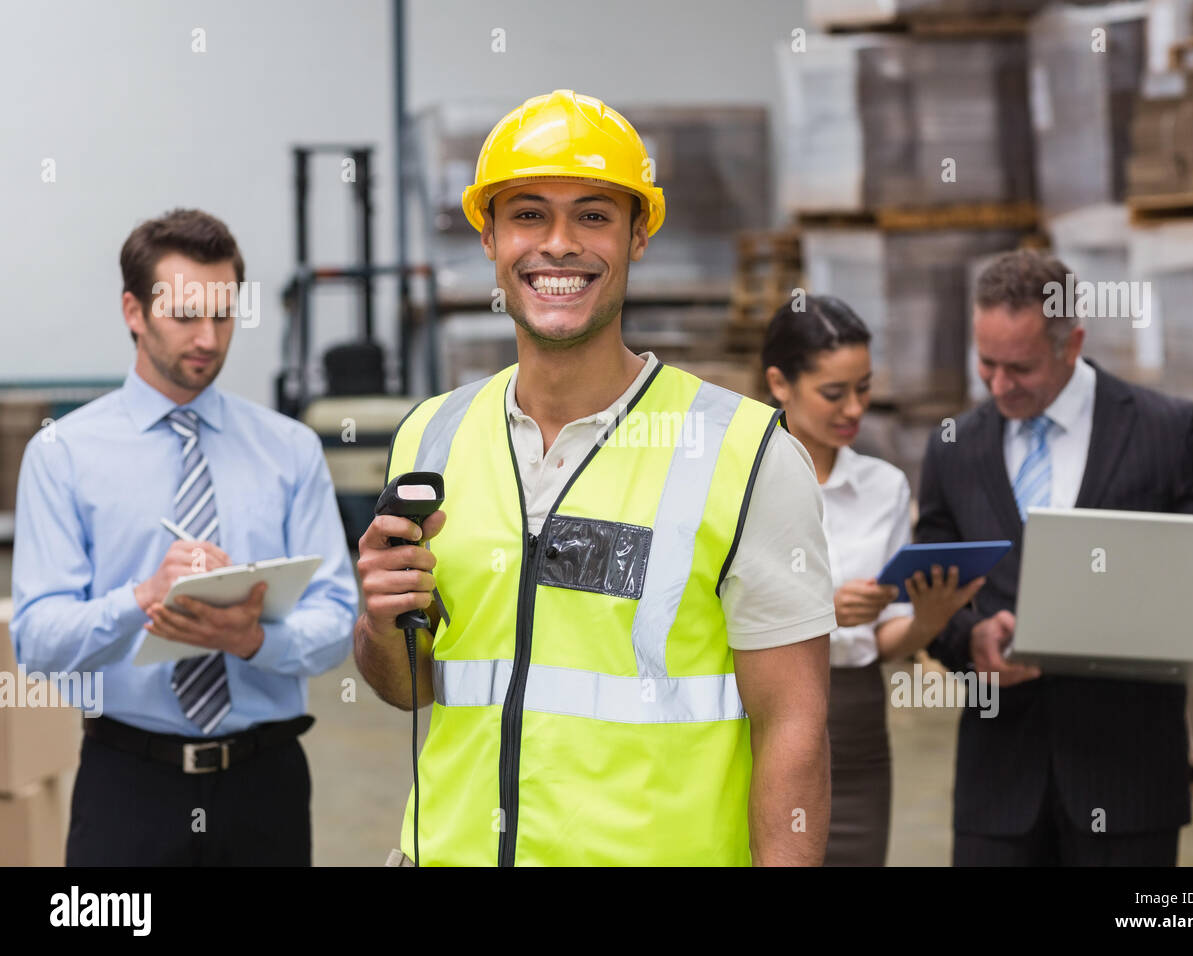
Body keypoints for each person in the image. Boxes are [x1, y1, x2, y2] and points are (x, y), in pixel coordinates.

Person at [353, 90, 838, 866]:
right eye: (528, 214)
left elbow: (795, 727)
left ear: (639, 235)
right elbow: (410, 689)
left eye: (593, 215)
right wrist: (379, 621)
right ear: (488, 236)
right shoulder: (430, 435)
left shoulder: (743, 453)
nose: (558, 245)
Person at [11, 209, 359, 865]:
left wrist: (253, 639)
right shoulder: (63, 455)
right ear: (133, 311)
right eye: (185, 314)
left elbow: (337, 620)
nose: (208, 337)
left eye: (223, 315)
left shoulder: (290, 450)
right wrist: (141, 598)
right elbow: (38, 641)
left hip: (267, 785)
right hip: (128, 785)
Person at [917, 249, 1193, 866]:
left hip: (1128, 777)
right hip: (998, 783)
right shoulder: (955, 447)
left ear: (1071, 342)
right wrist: (968, 639)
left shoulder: (1164, 430)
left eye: (1018, 367)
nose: (998, 385)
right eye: (986, 363)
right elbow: (931, 578)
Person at [762, 295, 985, 866]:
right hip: (758, 711)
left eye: (864, 387)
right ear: (780, 384)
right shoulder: (740, 481)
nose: (855, 407)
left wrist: (930, 621)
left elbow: (882, 641)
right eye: (834, 393)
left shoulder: (883, 488)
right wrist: (821, 609)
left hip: (856, 719)